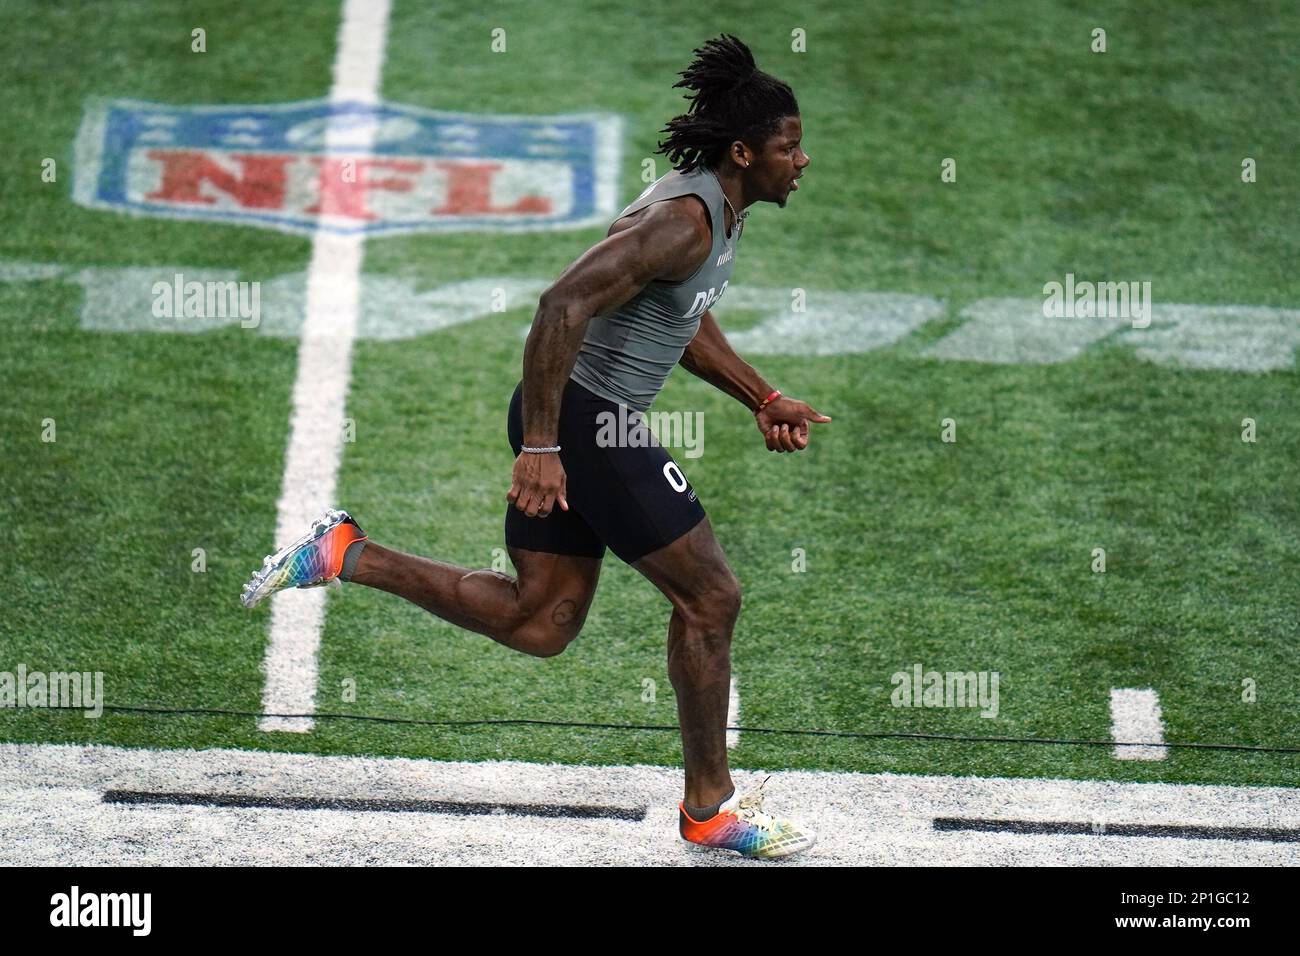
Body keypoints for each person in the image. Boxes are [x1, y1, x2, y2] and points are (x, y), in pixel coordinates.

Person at [242, 34, 828, 859]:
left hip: (577, 420)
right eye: (788, 146)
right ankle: (711, 808)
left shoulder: (714, 215)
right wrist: (545, 447)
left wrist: (761, 396)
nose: (802, 161)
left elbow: (679, 318)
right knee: (712, 599)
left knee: (539, 620)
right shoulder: (683, 223)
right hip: (587, 421)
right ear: (742, 153)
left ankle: (350, 553)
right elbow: (561, 305)